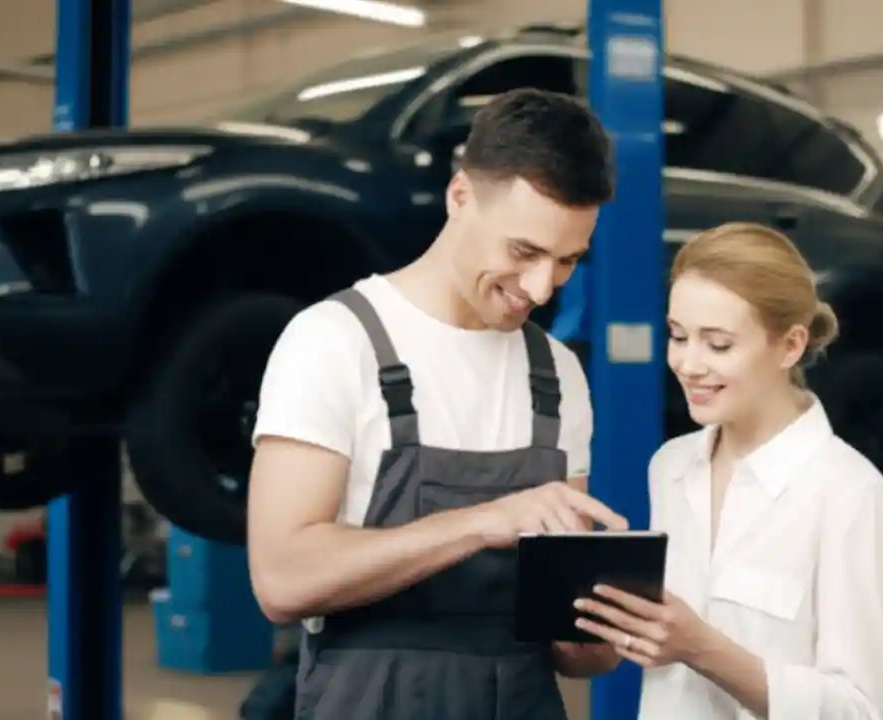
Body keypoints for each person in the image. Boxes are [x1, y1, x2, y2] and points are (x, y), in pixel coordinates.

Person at [246, 88, 628, 720]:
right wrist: (482, 523)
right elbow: (282, 580)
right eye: (523, 251)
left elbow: (573, 655)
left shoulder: (556, 374)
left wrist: (602, 627)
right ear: (460, 198)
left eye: (567, 262)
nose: (540, 287)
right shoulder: (335, 342)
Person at [572, 222, 883, 719]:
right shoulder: (671, 466)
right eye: (678, 336)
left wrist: (701, 647)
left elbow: (856, 711)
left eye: (718, 344)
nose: (688, 364)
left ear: (790, 346)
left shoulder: (851, 495)